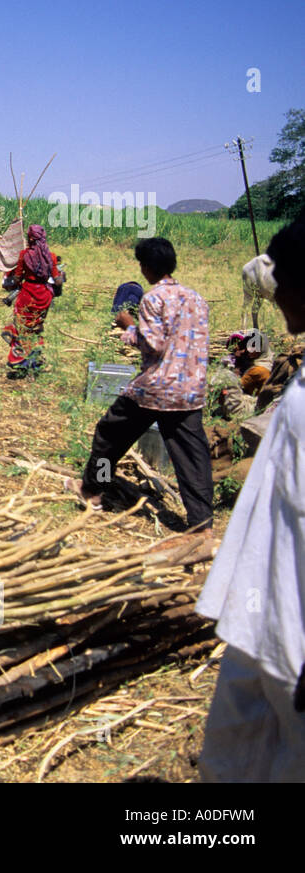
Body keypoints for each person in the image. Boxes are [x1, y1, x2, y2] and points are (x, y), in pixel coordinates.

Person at [196, 214, 305, 781]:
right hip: (259, 615)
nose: (274, 288)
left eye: (283, 277)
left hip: (296, 637)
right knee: (232, 760)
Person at [73, 238, 213, 535]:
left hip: (156, 388)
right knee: (193, 459)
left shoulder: (152, 299)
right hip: (190, 391)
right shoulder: (196, 298)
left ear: (146, 267)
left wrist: (128, 327)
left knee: (109, 435)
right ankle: (203, 527)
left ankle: (93, 492)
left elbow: (154, 343)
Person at [0, 223, 61, 377]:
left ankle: (20, 362)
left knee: (21, 328)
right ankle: (36, 361)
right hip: (44, 296)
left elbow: (17, 278)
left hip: (28, 295)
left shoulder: (24, 255)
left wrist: (10, 278)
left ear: (30, 238)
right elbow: (58, 280)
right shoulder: (51, 256)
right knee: (36, 327)